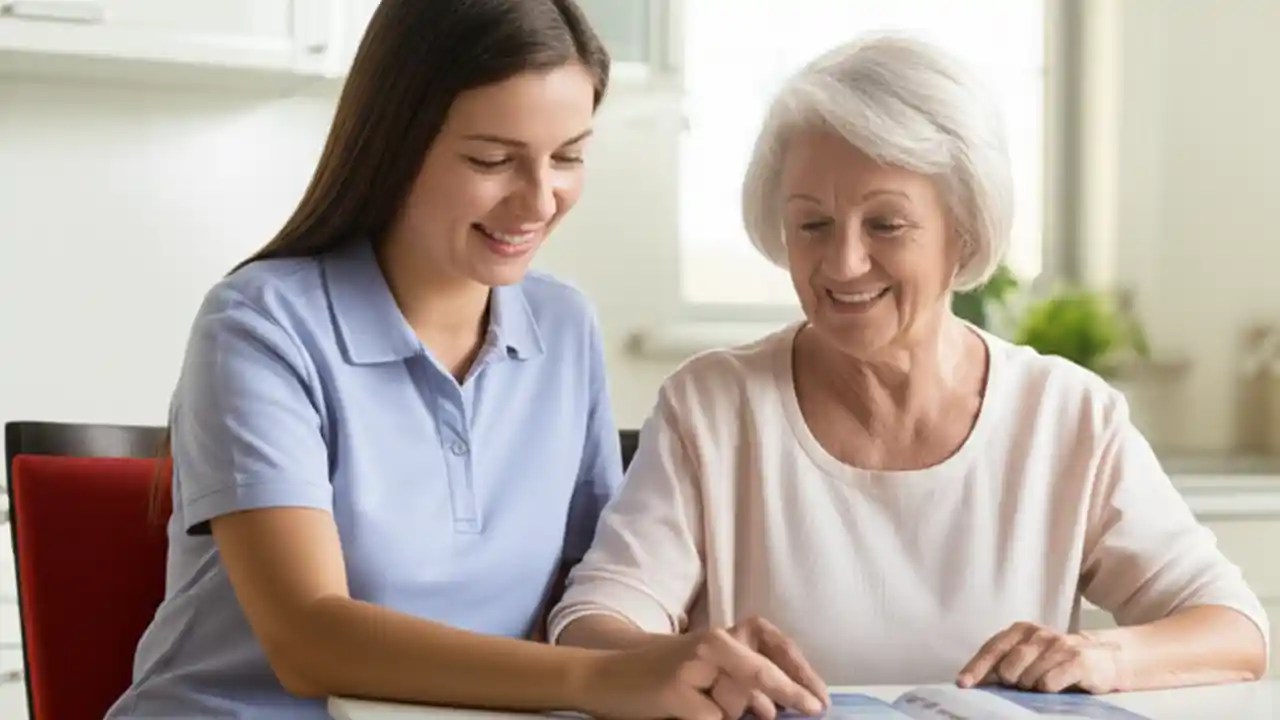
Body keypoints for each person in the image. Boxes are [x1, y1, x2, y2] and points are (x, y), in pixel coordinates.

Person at [106, 2, 829, 718]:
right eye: (493, 160)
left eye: (569, 156)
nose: (540, 199)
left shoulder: (563, 326)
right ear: (396, 142)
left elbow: (589, 594)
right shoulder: (261, 326)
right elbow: (307, 639)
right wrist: (593, 680)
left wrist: (695, 657)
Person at [550, 34, 1270, 703]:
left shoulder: (1068, 416)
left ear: (963, 230)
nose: (843, 263)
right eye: (813, 225)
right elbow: (594, 620)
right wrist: (678, 660)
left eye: (886, 224)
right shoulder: (712, 407)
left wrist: (1101, 656)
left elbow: (1233, 629)